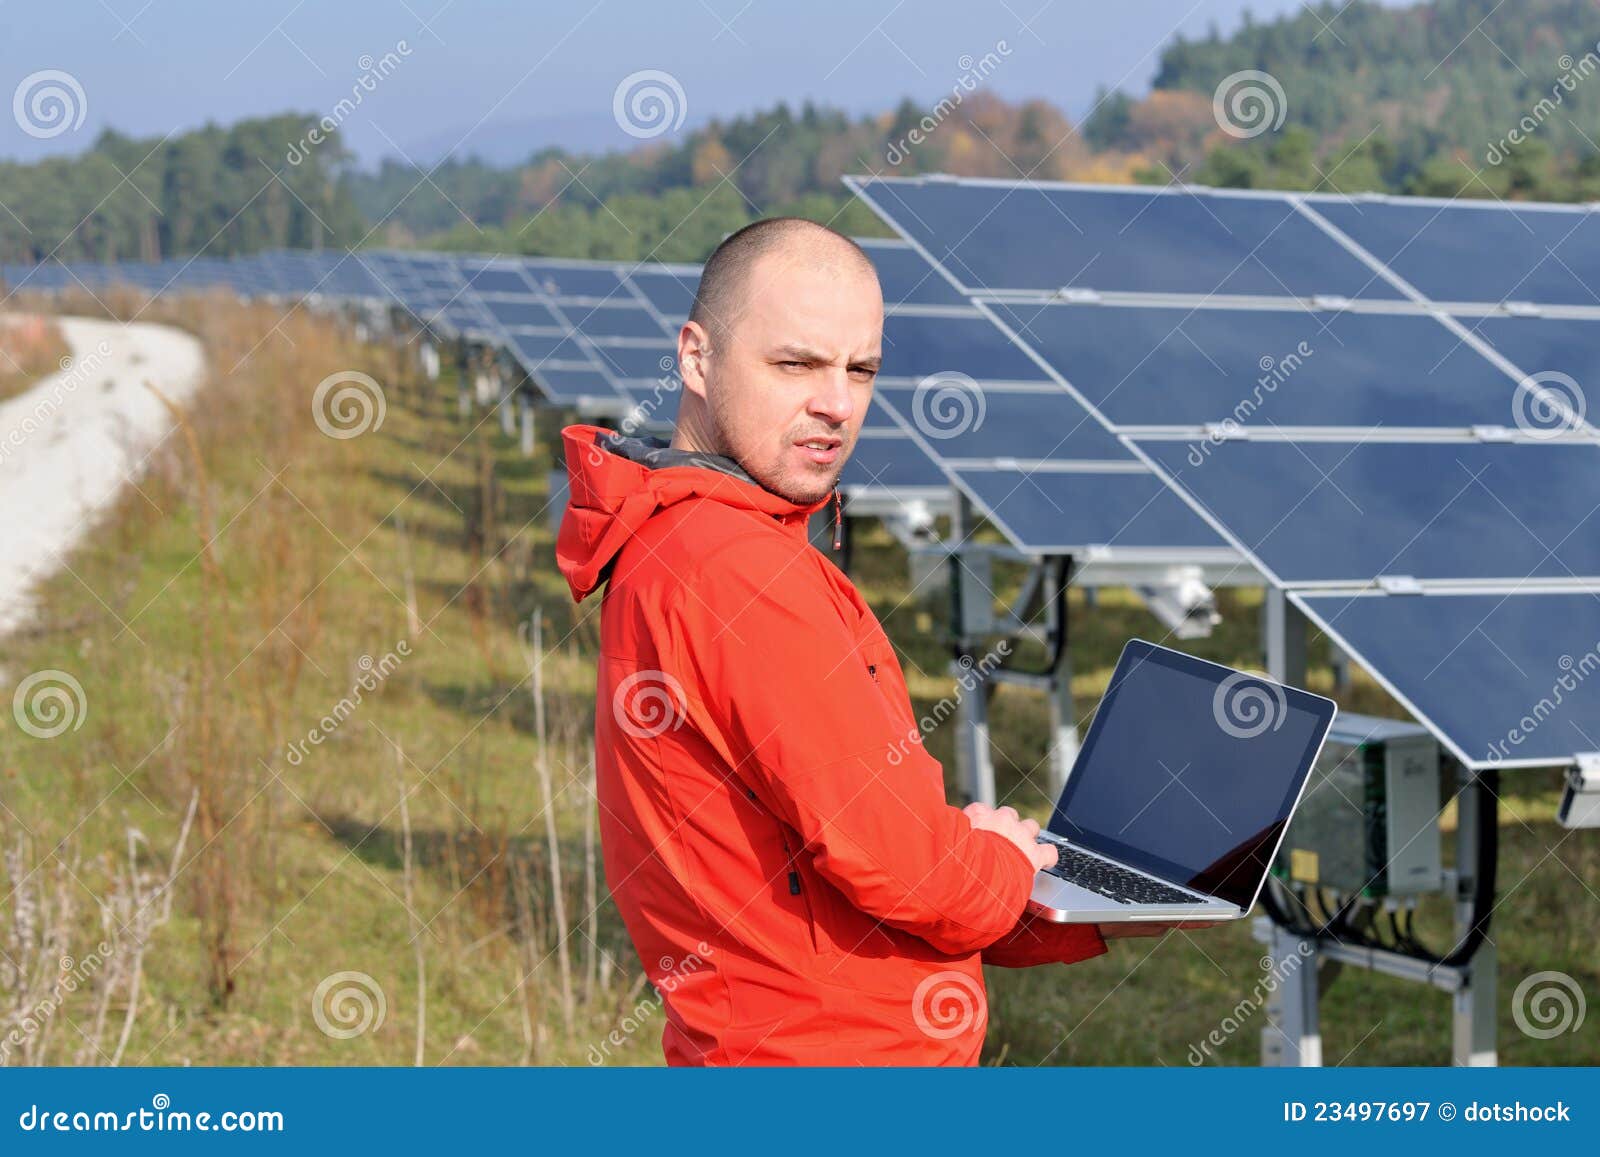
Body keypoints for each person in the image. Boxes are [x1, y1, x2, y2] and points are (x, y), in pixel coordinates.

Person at [557, 217, 1207, 1066]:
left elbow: (836, 836)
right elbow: (897, 863)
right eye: (794, 363)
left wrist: (994, 862)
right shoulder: (738, 569)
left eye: (860, 369)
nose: (836, 401)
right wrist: (997, 861)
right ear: (696, 357)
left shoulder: (681, 538)